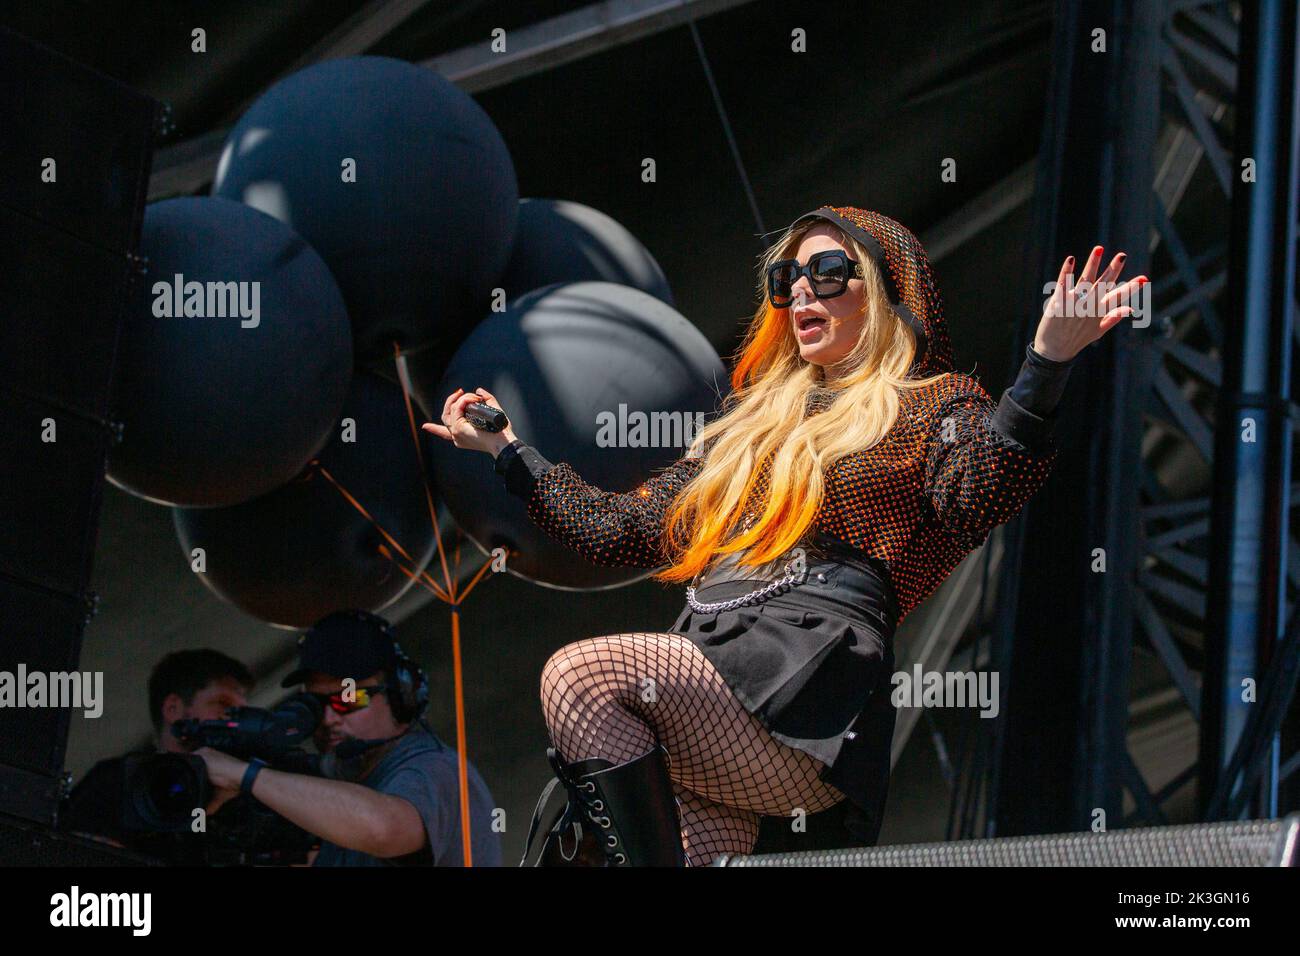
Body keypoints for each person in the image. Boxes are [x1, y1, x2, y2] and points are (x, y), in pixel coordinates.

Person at [424, 205, 1145, 867]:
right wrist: (509, 452)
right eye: (786, 278)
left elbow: (979, 494)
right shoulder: (741, 435)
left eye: (828, 274)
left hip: (804, 693)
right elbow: (617, 532)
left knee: (583, 677)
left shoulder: (933, 405)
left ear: (886, 293)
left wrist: (1045, 364)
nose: (802, 292)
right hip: (709, 675)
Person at [193, 610, 502, 866]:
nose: (329, 720)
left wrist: (246, 776)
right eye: (316, 706)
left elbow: (383, 829)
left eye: (348, 699)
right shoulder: (343, 782)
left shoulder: (432, 768)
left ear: (402, 696)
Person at [61, 648, 254, 860]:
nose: (236, 721)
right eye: (223, 705)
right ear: (173, 709)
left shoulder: (247, 804)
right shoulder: (118, 781)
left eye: (242, 712)